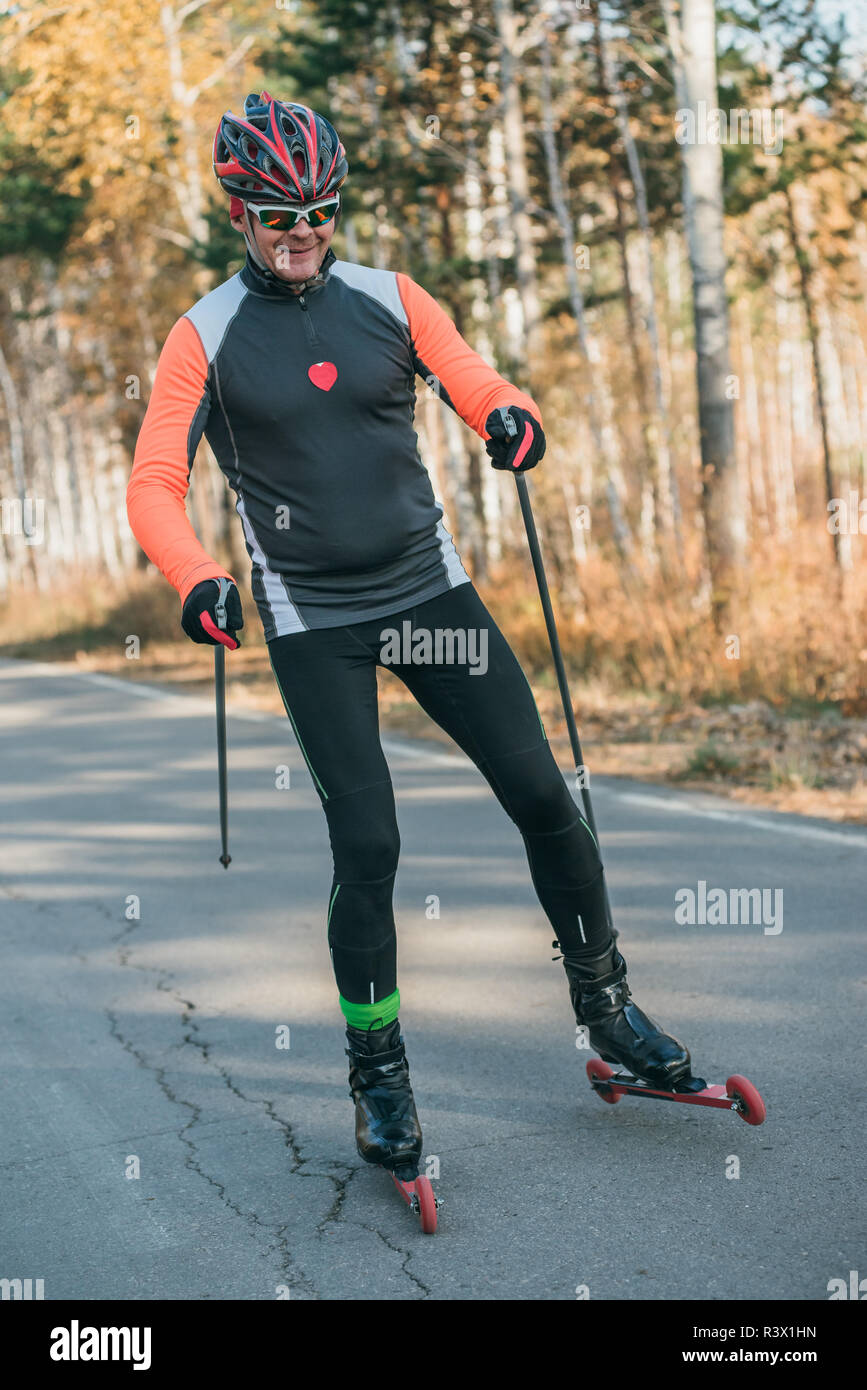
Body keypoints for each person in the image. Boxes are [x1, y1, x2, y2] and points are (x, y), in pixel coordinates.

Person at [127, 92, 690, 1182]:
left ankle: (610, 1010)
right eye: (282, 215)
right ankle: (378, 1076)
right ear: (238, 210)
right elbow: (157, 482)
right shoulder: (203, 335)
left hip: (430, 596)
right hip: (312, 620)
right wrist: (195, 574)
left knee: (543, 794)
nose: (304, 233)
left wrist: (506, 415)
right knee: (370, 844)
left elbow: (472, 375)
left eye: (322, 212)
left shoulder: (390, 298)